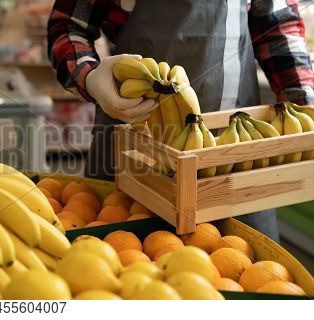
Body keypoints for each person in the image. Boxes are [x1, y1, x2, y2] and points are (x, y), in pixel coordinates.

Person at [47, 0, 314, 242]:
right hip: (133, 147)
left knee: (243, 273)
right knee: (117, 270)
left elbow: (278, 25)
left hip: (238, 157)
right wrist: (91, 77)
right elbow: (67, 25)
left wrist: (304, 108)